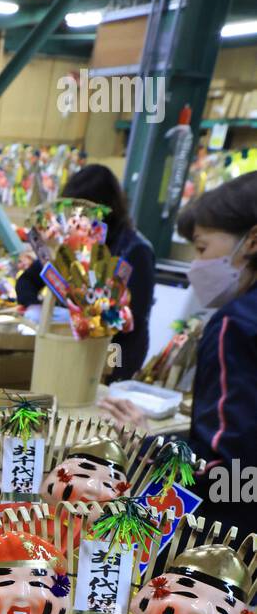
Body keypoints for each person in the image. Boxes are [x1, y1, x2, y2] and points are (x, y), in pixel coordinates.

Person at [16, 163, 155, 381]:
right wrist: (39, 309)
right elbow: (28, 280)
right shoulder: (74, 243)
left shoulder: (135, 251)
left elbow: (133, 317)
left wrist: (89, 318)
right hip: (69, 347)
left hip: (116, 354)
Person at [174, 173, 257, 535]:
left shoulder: (235, 324)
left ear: (252, 240)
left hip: (234, 534)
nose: (197, 264)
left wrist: (155, 447)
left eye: (202, 248)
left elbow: (225, 467)